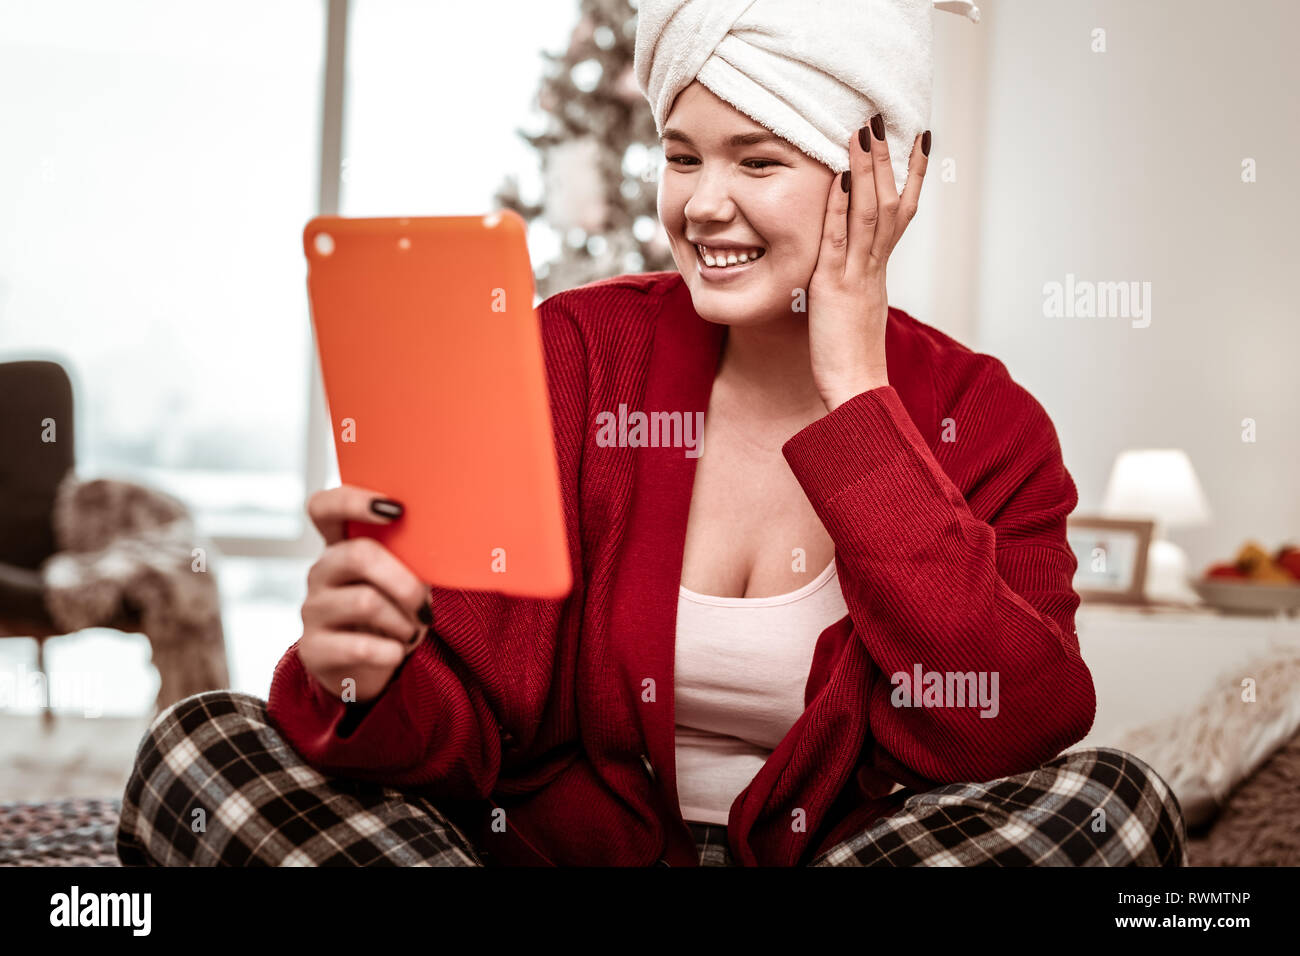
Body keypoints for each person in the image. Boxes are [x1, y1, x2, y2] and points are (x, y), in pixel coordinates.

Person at [117, 0, 1186, 867]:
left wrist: (859, 394)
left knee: (1116, 807)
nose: (703, 206)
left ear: (878, 178)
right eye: (683, 157)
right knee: (199, 748)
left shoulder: (985, 422)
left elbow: (1011, 720)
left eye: (756, 161)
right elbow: (463, 734)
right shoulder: (573, 356)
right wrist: (370, 675)